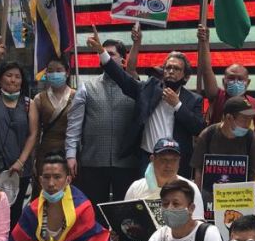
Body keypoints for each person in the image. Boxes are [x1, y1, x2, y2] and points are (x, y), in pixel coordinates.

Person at [87, 25, 205, 178]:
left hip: (176, 162)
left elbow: (198, 128)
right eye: (167, 68)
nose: (170, 71)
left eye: (176, 69)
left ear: (186, 76)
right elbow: (123, 79)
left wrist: (177, 105)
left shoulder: (193, 99)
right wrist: (101, 52)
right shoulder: (150, 89)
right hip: (147, 160)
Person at [65, 36, 139, 204]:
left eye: (110, 54)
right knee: (94, 210)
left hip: (126, 162)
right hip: (93, 160)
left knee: (124, 211)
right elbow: (74, 126)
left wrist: (137, 42)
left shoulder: (135, 88)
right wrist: (70, 155)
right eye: (102, 52)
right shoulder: (86, 87)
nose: (104, 56)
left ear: (123, 60)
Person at [0, 53, 38, 226]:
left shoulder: (29, 104)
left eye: (17, 77)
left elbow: (33, 134)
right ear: (0, 77)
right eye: (9, 75)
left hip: (18, 170)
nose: (13, 80)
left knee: (14, 212)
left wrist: (21, 161)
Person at [195, 24, 255, 130]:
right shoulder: (218, 98)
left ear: (248, 82)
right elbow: (207, 71)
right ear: (224, 81)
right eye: (231, 78)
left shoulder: (254, 105)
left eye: (240, 79)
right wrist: (205, 42)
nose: (235, 82)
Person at [190, 95, 255, 188]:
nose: (248, 124)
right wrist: (199, 198)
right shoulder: (207, 135)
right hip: (209, 195)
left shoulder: (253, 139)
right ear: (228, 118)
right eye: (244, 119)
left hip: (240, 197)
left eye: (250, 119)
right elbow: (198, 172)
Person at [124, 138, 204, 220]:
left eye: (174, 160)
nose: (168, 165)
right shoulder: (136, 188)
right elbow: (125, 220)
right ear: (152, 159)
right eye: (163, 160)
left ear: (179, 161)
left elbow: (197, 224)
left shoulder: (190, 188)